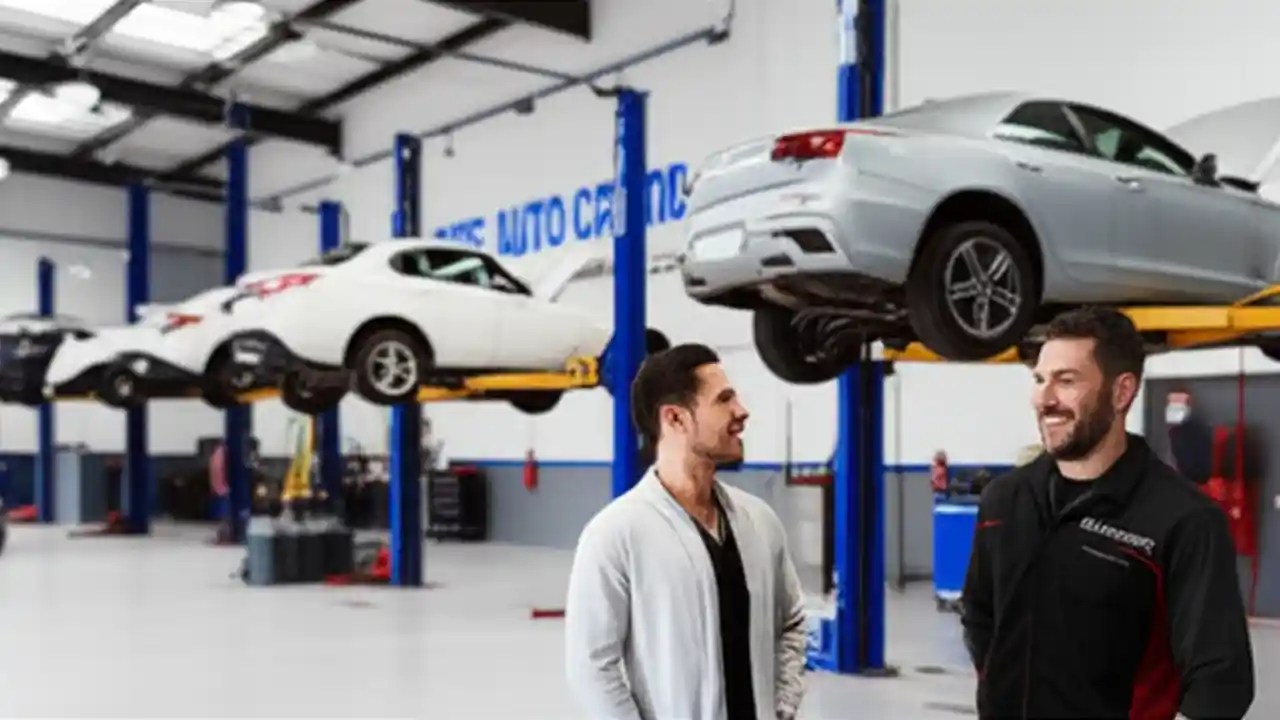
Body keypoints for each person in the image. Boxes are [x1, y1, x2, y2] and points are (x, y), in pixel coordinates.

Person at [961, 306, 1255, 719]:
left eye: (1066, 381)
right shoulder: (1004, 500)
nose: (1044, 399)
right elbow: (979, 615)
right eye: (1040, 380)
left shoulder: (1183, 519)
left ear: (1121, 392)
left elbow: (1220, 683)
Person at [565, 343, 808, 720]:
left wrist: (781, 706)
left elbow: (792, 621)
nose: (741, 412)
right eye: (724, 400)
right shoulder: (616, 534)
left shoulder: (759, 522)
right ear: (675, 419)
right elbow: (591, 667)